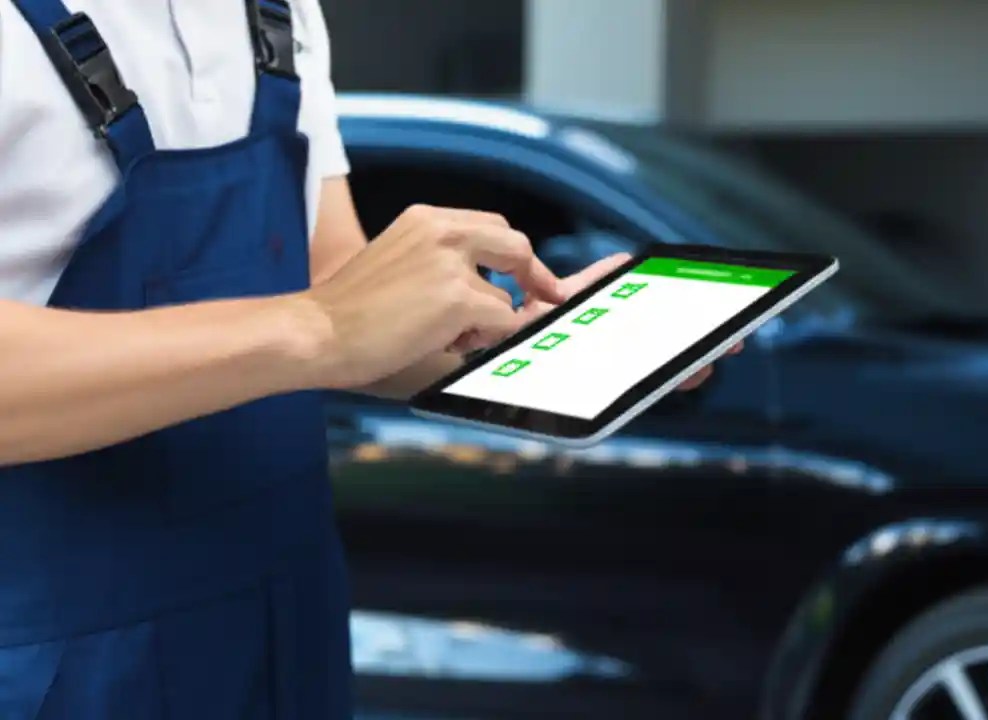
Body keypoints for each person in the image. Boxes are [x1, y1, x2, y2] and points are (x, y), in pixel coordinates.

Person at [0, 1, 728, 717]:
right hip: (52, 653)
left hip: (288, 622)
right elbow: (324, 319)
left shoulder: (281, 14)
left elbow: (329, 280)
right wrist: (318, 328)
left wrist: (515, 341)